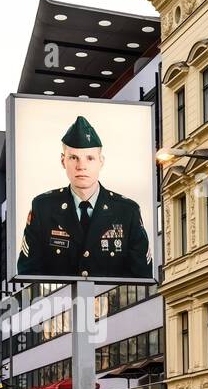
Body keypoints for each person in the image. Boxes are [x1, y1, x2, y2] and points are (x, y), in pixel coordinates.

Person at [16, 116, 151, 280]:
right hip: (59, 304)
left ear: (101, 162)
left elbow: (142, 276)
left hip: (115, 305)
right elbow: (28, 274)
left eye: (90, 158)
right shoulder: (43, 208)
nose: (81, 166)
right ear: (62, 161)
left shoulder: (127, 211)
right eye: (73, 158)